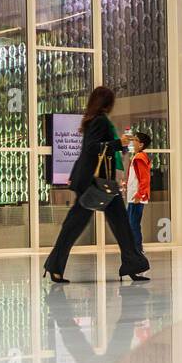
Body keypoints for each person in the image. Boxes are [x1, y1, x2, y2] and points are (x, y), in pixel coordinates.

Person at [43, 86, 150, 284]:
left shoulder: (93, 119)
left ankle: (132, 263)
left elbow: (96, 149)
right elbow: (93, 148)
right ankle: (132, 264)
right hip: (96, 183)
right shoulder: (100, 121)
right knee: (108, 224)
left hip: (95, 181)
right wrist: (118, 143)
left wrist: (119, 144)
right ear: (107, 104)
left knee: (107, 224)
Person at [124, 130, 152, 254]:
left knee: (133, 224)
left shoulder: (140, 158)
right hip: (133, 196)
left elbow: (145, 179)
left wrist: (139, 194)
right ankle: (135, 248)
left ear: (141, 144)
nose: (132, 141)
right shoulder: (136, 157)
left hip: (137, 197)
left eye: (135, 140)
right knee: (131, 224)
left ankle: (137, 249)